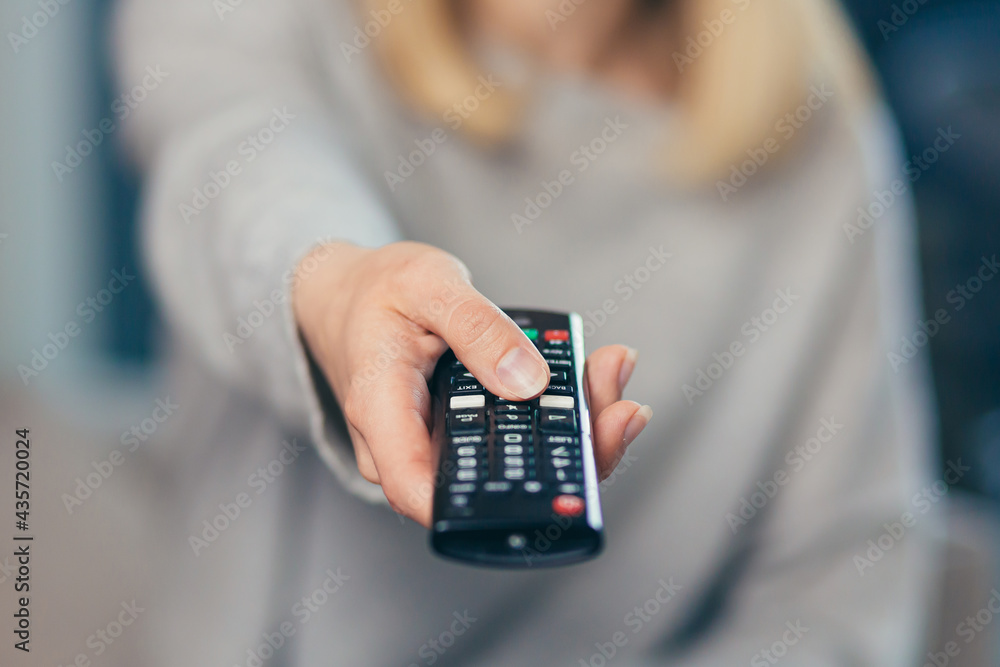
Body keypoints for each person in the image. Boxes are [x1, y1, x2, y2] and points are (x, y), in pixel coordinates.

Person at [113, 0, 939, 664]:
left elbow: (846, 572)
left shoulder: (821, 142)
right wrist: (338, 288)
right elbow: (234, 165)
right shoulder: (268, 20)